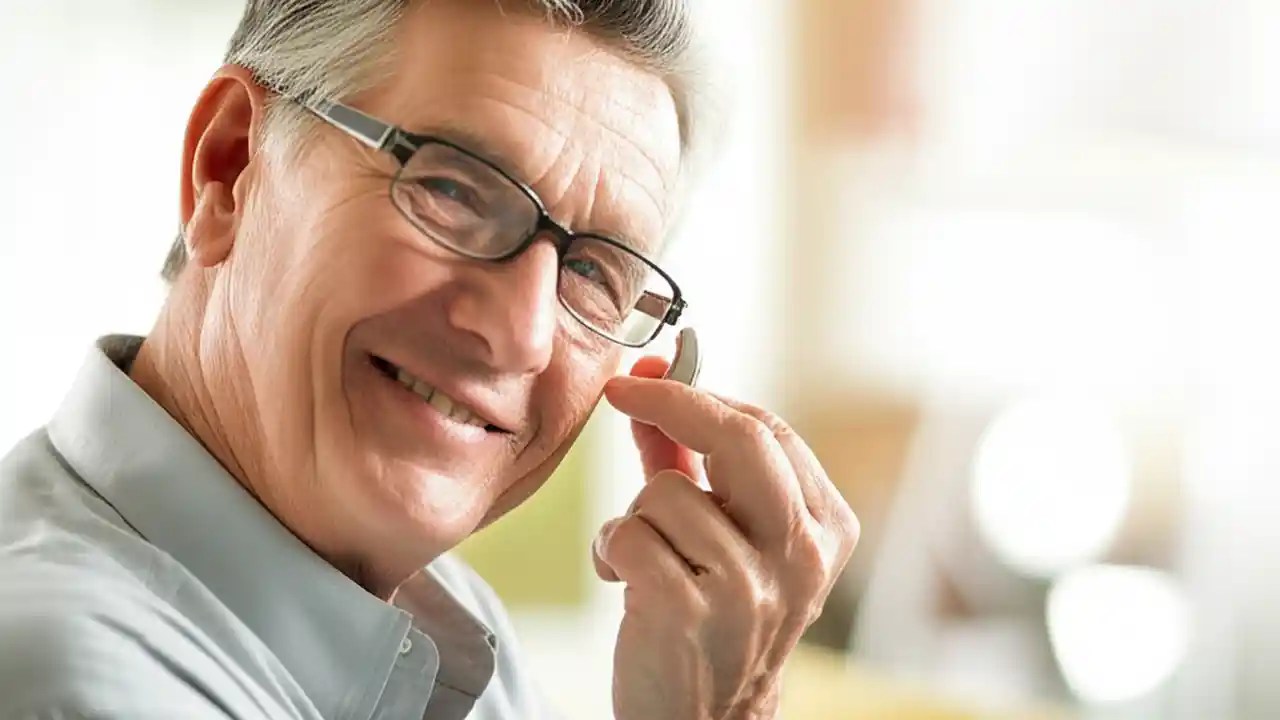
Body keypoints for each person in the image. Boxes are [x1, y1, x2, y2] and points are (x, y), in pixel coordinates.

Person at [0, 1, 859, 717]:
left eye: (594, 269)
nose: (520, 334)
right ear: (230, 169)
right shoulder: (73, 679)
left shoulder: (449, 630)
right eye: (451, 188)